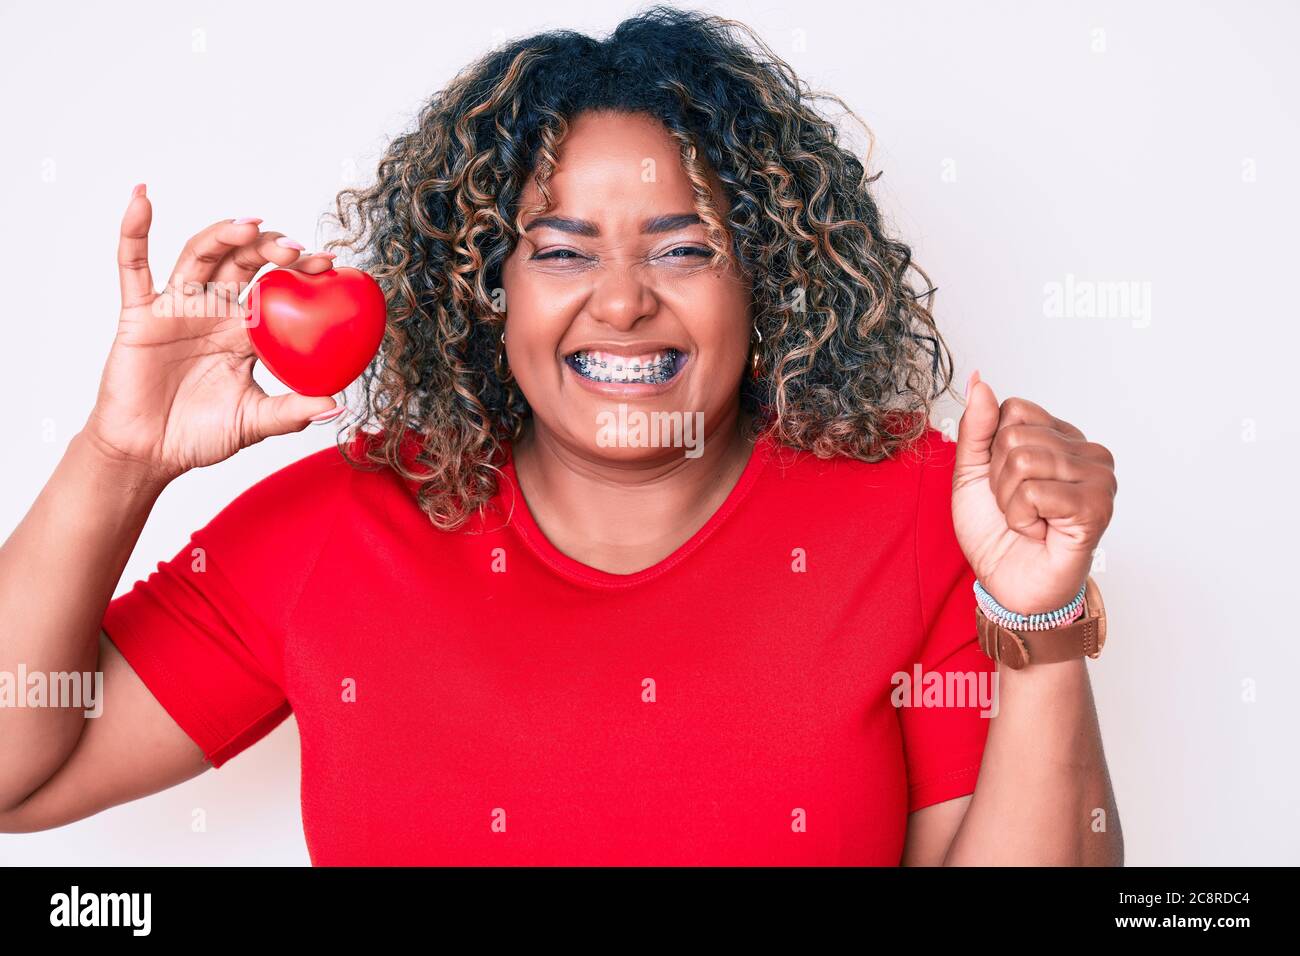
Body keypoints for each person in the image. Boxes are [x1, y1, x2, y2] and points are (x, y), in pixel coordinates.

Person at [0, 7, 1120, 865]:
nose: (622, 302)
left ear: (766, 280)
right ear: (487, 289)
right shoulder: (338, 526)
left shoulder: (917, 509)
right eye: (563, 251)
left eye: (682, 249)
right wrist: (121, 453)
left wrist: (1039, 614)